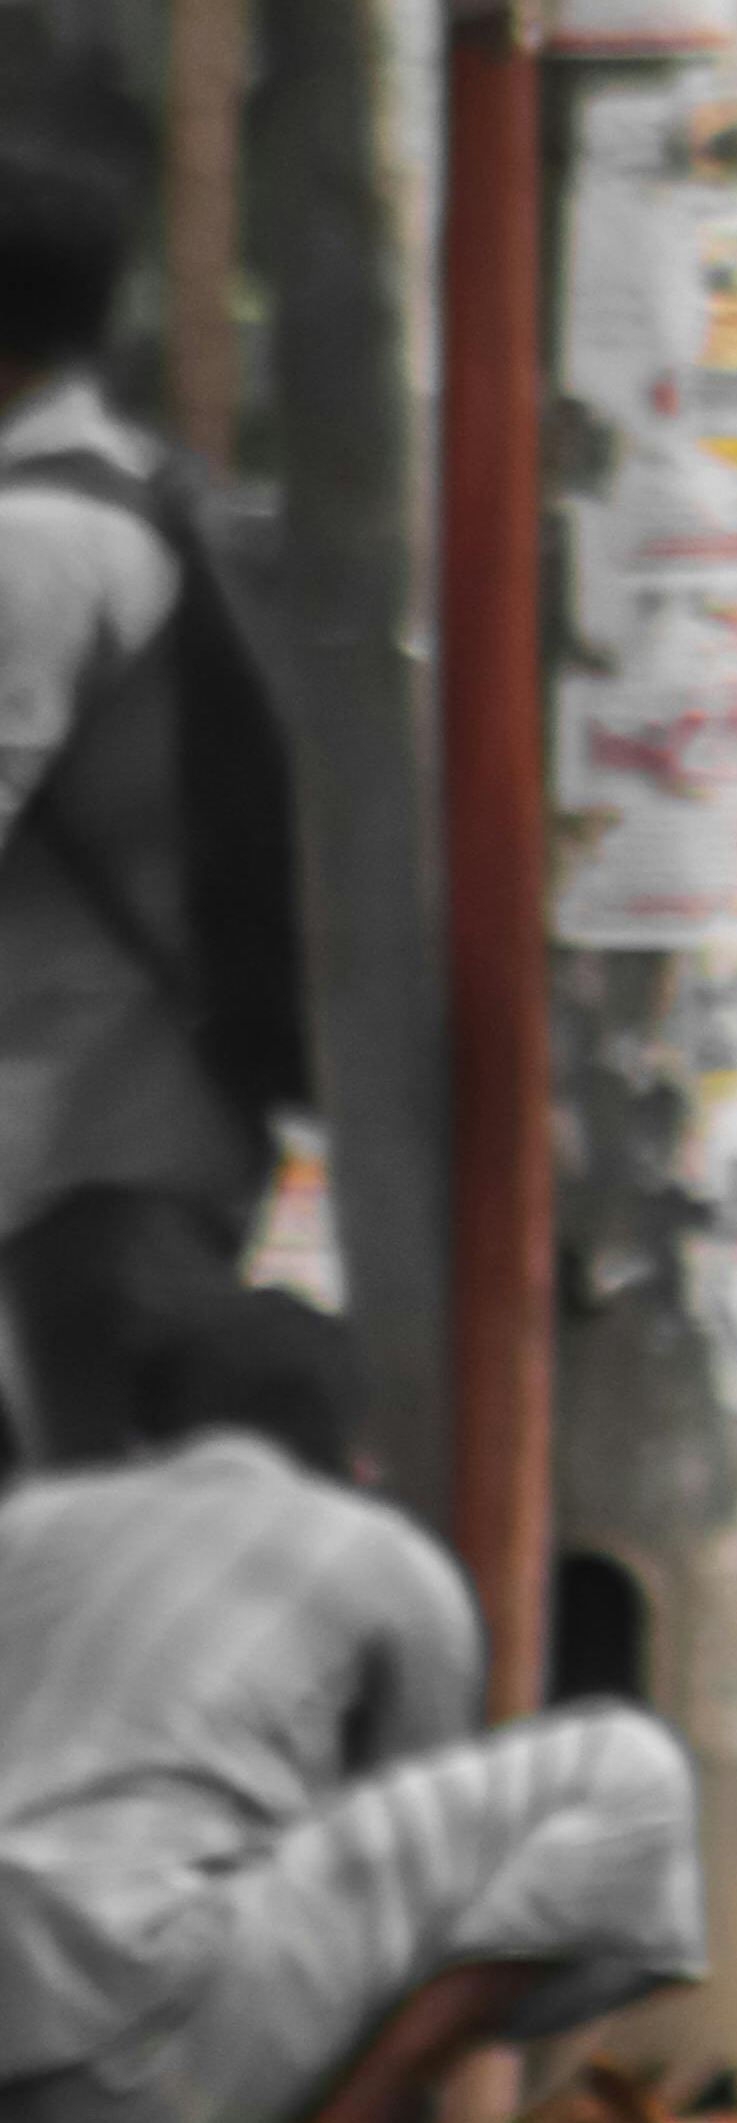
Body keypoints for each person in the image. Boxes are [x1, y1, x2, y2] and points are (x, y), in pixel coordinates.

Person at [0, 1292, 702, 2123]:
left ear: (145, 1435)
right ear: (352, 1450)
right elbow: (425, 1904)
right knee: (626, 1769)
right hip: (159, 2077)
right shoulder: (380, 1552)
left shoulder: (27, 1523)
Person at [0, 141, 311, 1463]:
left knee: (92, 1565)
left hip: (81, 1155)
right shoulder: (143, 492)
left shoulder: (37, 545)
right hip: (148, 1138)